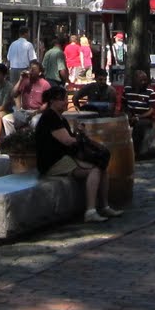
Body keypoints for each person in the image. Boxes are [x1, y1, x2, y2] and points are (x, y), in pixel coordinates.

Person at [33, 86, 120, 223]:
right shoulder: (50, 117)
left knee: (101, 167)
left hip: (64, 159)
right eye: (62, 99)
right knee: (94, 170)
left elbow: (70, 138)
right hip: (53, 162)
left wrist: (79, 134)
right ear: (52, 101)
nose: (66, 102)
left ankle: (104, 206)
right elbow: (67, 140)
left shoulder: (60, 118)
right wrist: (80, 139)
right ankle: (90, 210)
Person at [2, 61, 50, 139]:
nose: (31, 71)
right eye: (29, 68)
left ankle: (33, 144)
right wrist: (20, 80)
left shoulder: (45, 84)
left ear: (40, 72)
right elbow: (13, 94)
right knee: (7, 119)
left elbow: (47, 104)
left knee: (35, 122)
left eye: (33, 69)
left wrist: (35, 113)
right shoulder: (25, 81)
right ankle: (12, 141)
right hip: (24, 111)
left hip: (38, 112)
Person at [123, 69, 155, 158]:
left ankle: (135, 151)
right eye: (141, 80)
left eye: (145, 80)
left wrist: (139, 117)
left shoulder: (150, 92)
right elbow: (124, 104)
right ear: (135, 80)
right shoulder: (127, 89)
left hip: (145, 117)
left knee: (139, 125)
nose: (143, 82)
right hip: (131, 115)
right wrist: (127, 114)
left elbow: (152, 110)